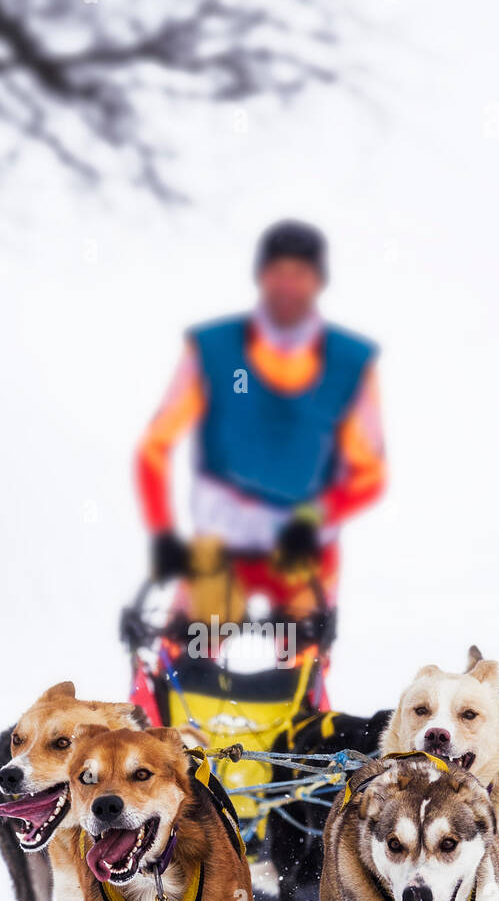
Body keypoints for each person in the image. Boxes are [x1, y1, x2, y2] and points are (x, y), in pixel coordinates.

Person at [134, 220, 386, 621]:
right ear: (261, 276)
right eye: (278, 272)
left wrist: (315, 516)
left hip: (304, 552)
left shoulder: (348, 365)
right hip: (220, 544)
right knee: (184, 662)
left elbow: (370, 474)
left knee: (303, 669)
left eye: (300, 273)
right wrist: (163, 532)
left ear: (318, 281)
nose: (288, 284)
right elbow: (155, 447)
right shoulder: (214, 351)